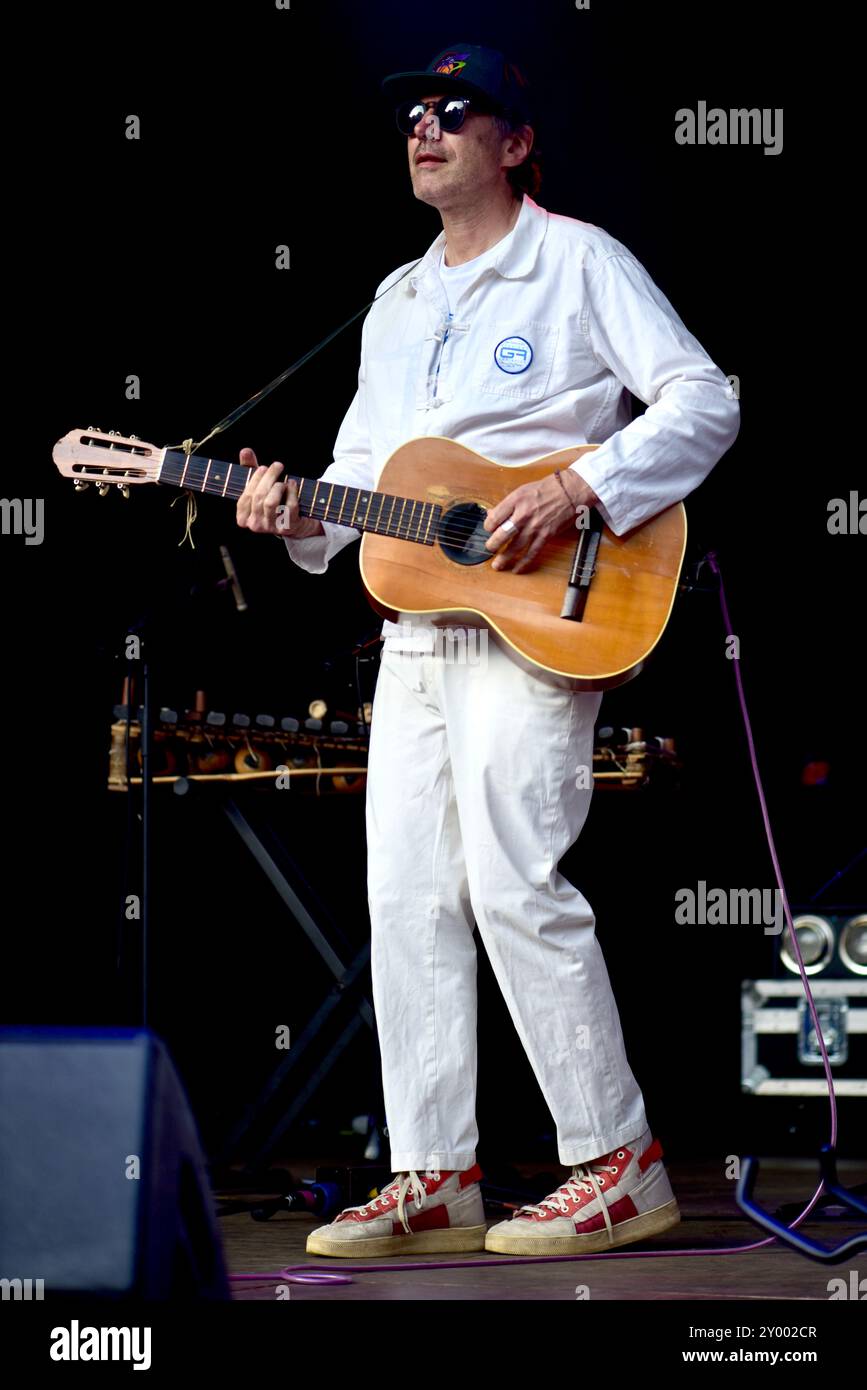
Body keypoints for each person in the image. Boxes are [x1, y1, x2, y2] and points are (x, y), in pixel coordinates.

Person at [235, 43, 740, 1258]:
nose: (426, 126)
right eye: (415, 110)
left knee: (518, 878)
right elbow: (364, 486)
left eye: (455, 110)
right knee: (407, 896)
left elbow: (703, 400)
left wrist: (580, 484)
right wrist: (297, 512)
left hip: (541, 619)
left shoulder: (578, 260)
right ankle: (435, 1172)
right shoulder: (395, 302)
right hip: (416, 635)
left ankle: (618, 1161)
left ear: (515, 142)